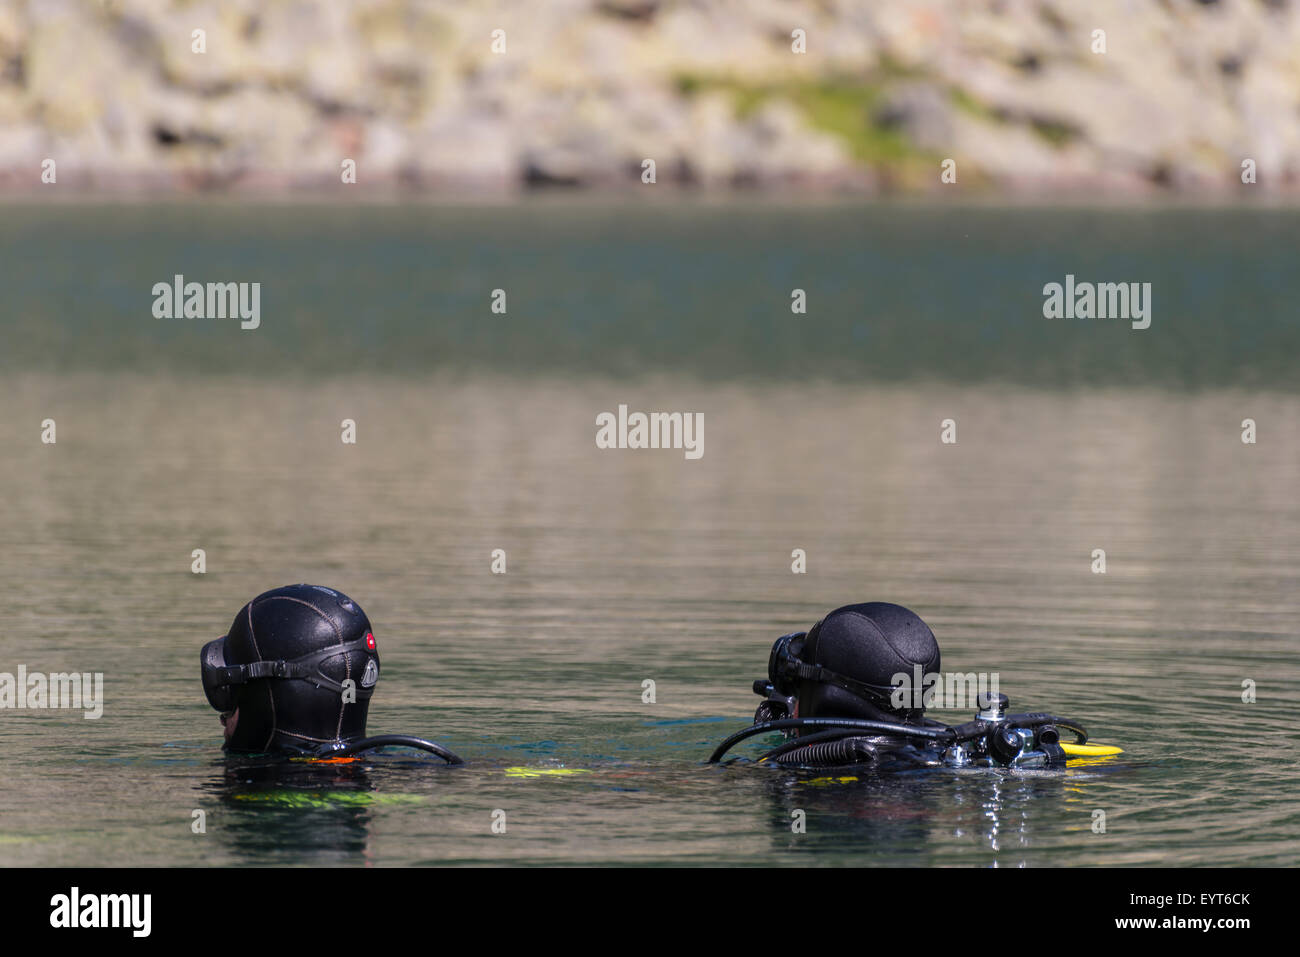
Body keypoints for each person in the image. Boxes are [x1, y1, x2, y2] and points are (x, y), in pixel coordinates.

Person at [200, 584, 461, 763]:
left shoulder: (238, 787)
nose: (223, 718)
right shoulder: (412, 767)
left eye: (227, 694)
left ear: (265, 698)